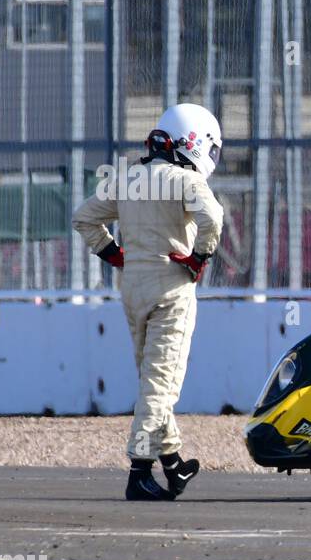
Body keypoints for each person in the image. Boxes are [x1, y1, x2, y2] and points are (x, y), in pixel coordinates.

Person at [72, 103, 225, 501]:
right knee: (161, 386)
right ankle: (139, 471)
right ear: (194, 141)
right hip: (171, 286)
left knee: (151, 380)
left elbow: (84, 217)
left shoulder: (125, 179)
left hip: (132, 285)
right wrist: (198, 258)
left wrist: (114, 254)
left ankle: (172, 464)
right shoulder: (185, 181)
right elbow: (213, 218)